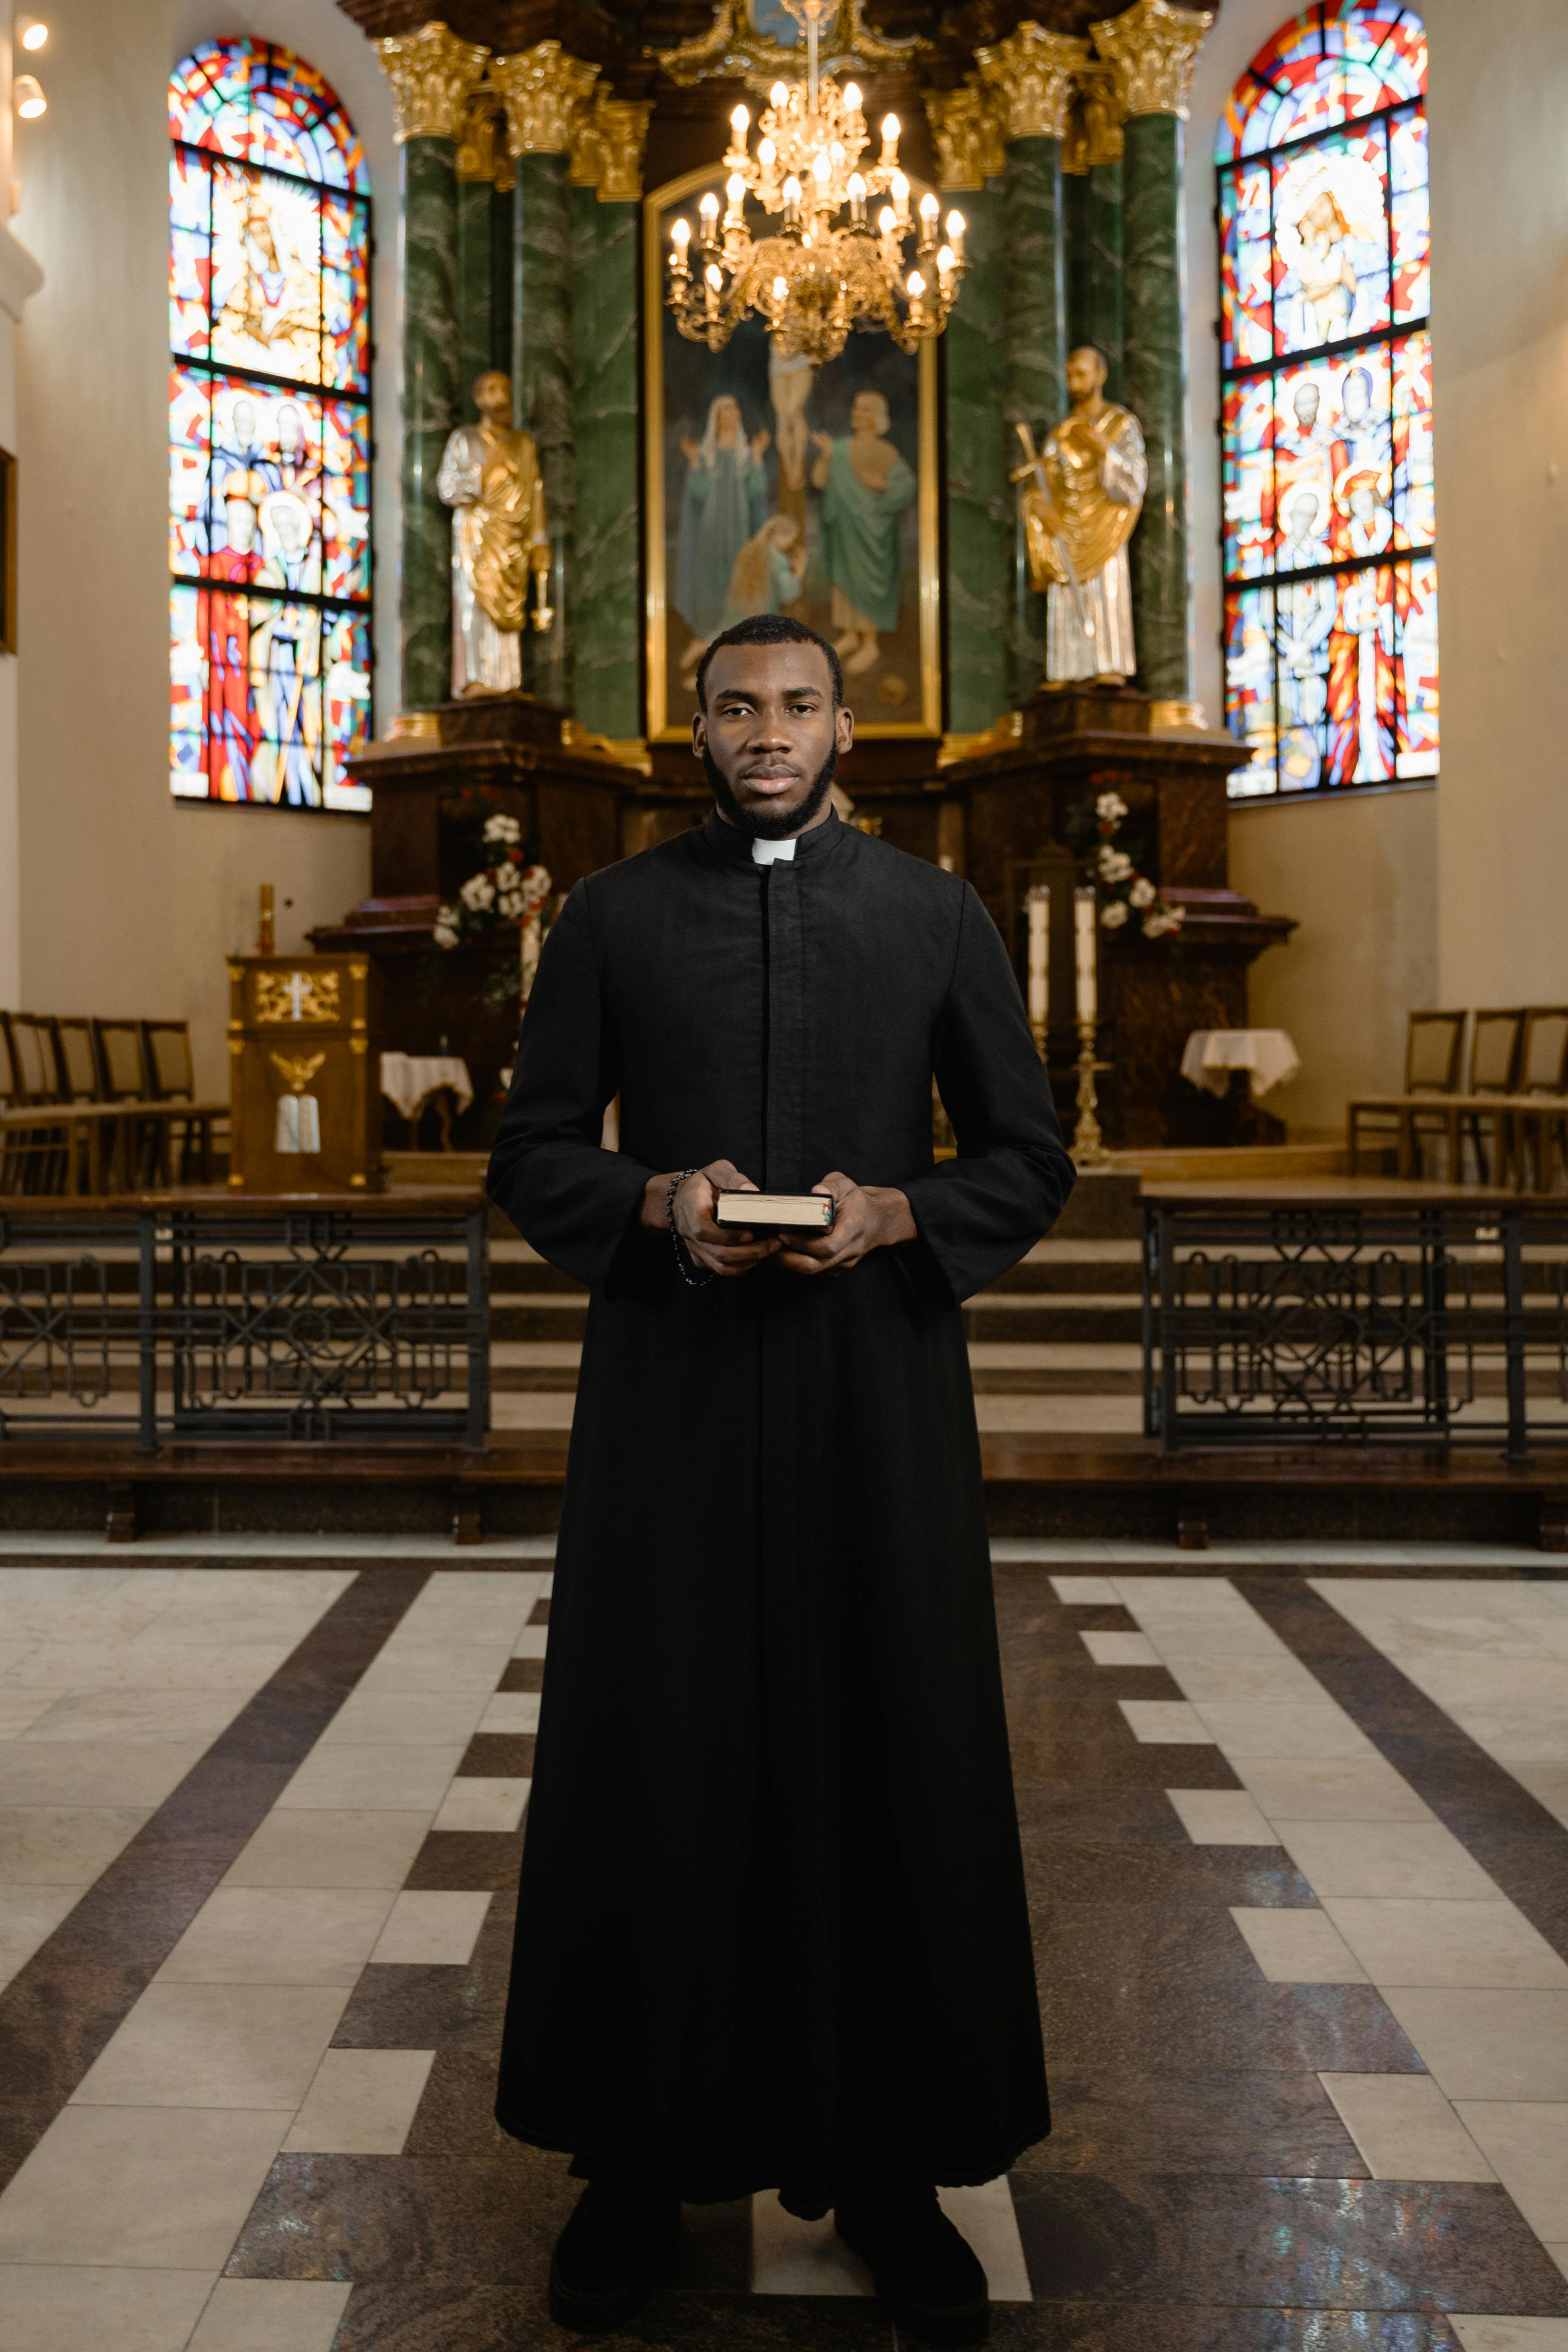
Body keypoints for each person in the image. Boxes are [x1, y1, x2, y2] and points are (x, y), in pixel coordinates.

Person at [488, 611, 1073, 2346]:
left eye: (798, 705)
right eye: (737, 706)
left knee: (887, 1740)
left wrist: (902, 1213)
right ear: (695, 729)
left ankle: (891, 2169)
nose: (767, 731)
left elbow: (1027, 1152)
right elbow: (532, 1148)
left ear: (843, 730)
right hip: (670, 1392)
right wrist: (657, 1201)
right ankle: (633, 2160)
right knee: (654, 1746)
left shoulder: (933, 913)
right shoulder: (611, 916)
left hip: (872, 1391)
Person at [1014, 345, 1146, 685]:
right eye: (1070, 376)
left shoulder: (1120, 425)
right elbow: (1044, 485)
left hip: (1105, 527)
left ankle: (1109, 666)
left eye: (1082, 375)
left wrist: (1105, 449)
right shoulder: (1060, 434)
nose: (1074, 383)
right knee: (1066, 596)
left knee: (1106, 591)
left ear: (1100, 375)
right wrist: (1039, 506)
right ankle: (1067, 669)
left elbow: (1134, 481)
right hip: (1067, 528)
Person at [436, 368, 551, 696]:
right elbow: (447, 488)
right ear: (478, 398)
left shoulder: (523, 445)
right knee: (475, 602)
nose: (500, 397)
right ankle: (475, 680)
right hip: (476, 535)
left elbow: (535, 493)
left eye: (504, 389)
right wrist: (485, 470)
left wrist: (539, 541)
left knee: (510, 611)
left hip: (513, 539)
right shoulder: (465, 439)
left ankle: (507, 681)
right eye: (491, 389)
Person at [811, 388, 915, 675]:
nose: (857, 413)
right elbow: (819, 481)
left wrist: (883, 486)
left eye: (864, 409)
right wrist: (827, 457)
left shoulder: (886, 452)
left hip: (873, 532)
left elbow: (906, 487)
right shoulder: (840, 448)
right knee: (845, 579)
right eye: (856, 408)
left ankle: (870, 643)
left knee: (868, 583)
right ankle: (850, 635)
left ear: (876, 417)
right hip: (844, 529)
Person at [675, 394, 770, 676]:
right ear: (716, 417)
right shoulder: (706, 454)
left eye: (735, 408)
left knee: (736, 583)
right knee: (710, 584)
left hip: (740, 532)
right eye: (726, 409)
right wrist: (694, 461)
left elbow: (756, 493)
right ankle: (705, 641)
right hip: (710, 533)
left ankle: (731, 646)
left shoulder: (745, 454)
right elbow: (699, 495)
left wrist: (757, 457)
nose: (732, 413)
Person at [723, 510, 806, 627]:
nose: (791, 543)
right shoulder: (777, 560)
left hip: (737, 614)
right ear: (782, 536)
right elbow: (788, 596)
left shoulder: (749, 549)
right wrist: (800, 571)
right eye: (792, 539)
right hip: (760, 619)